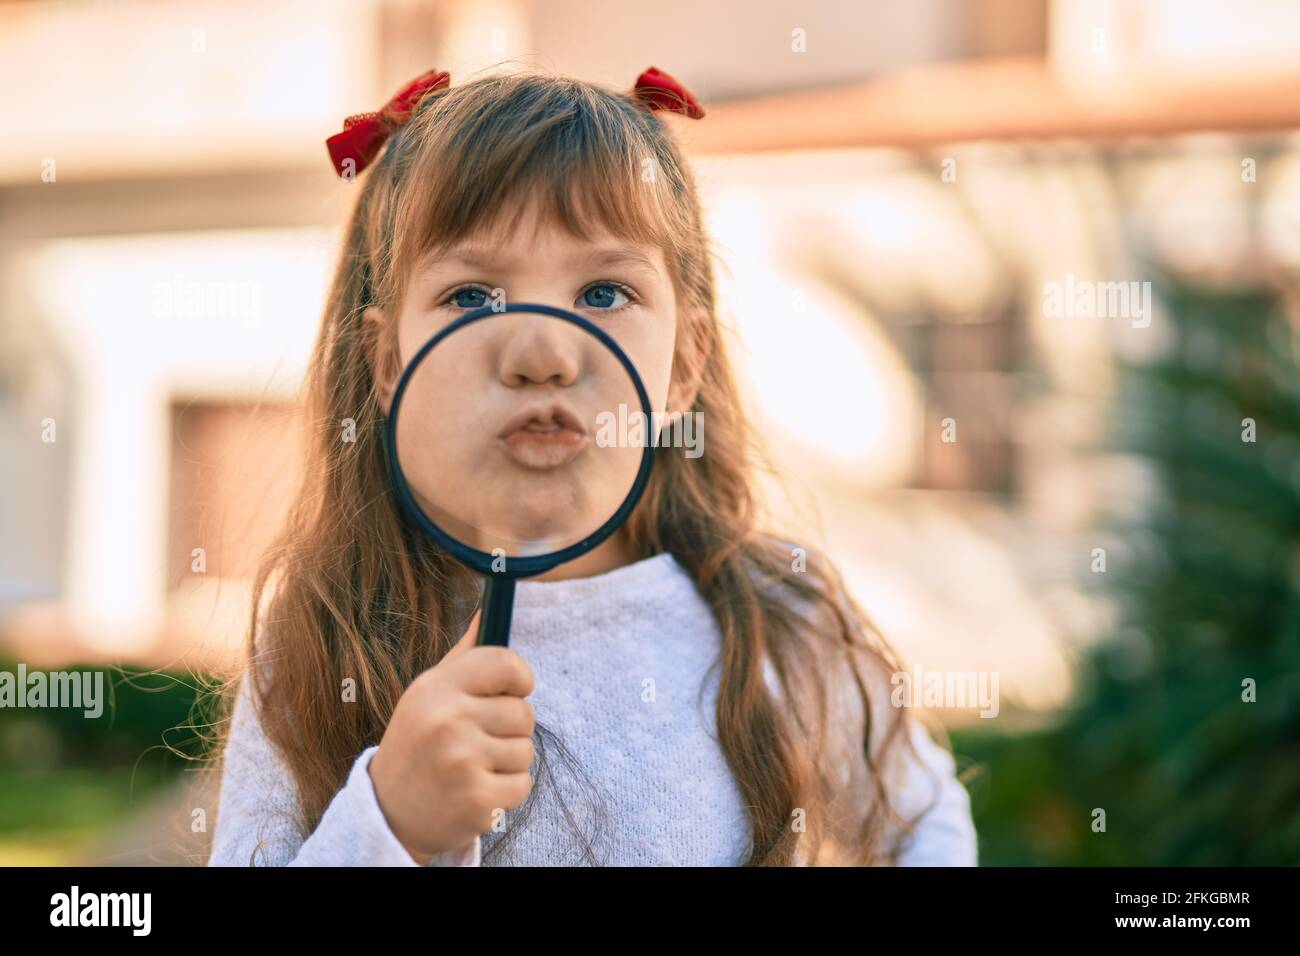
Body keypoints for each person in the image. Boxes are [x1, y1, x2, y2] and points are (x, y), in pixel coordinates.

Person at [206, 64, 978, 867]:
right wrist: (390, 825)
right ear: (389, 364)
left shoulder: (780, 616)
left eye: (604, 294)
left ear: (684, 364)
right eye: (472, 298)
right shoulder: (322, 637)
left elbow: (924, 821)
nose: (543, 353)